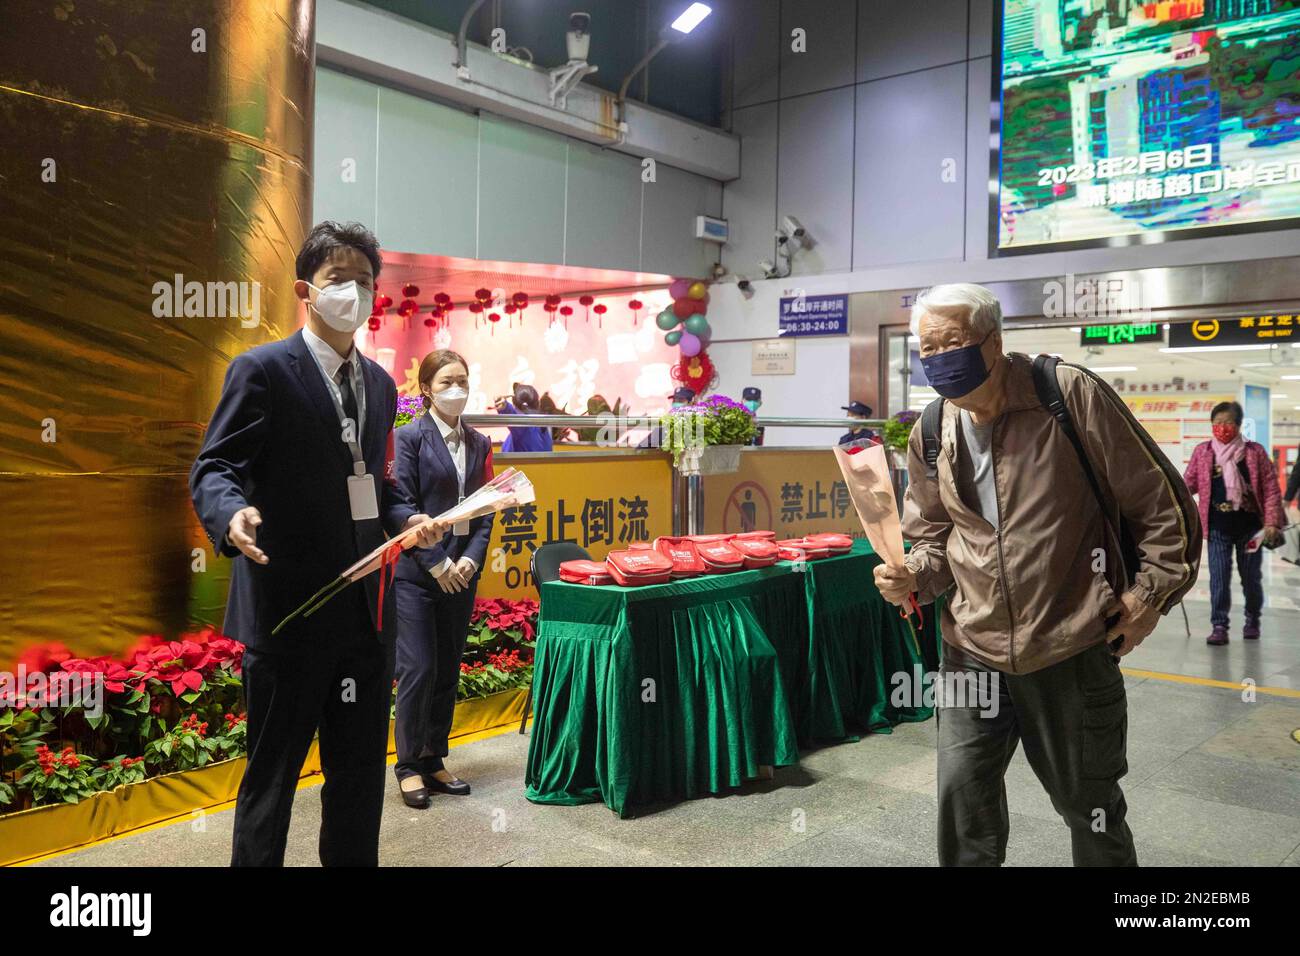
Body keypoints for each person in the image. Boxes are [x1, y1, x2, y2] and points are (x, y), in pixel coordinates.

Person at [873, 282, 1201, 867]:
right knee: (961, 803)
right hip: (969, 648)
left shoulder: (1066, 394)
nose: (939, 358)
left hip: (1069, 643)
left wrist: (1151, 594)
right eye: (927, 348)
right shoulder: (932, 429)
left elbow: (1161, 504)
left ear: (994, 343)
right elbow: (933, 538)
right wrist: (911, 577)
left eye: (953, 342)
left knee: (1088, 805)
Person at [190, 221, 445, 867]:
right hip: (289, 616)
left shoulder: (383, 386)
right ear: (307, 289)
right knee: (272, 779)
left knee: (358, 777)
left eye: (365, 282)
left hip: (365, 621)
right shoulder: (263, 370)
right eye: (339, 280)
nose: (353, 294)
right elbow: (214, 467)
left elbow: (376, 485)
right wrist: (231, 515)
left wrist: (409, 521)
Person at [391, 350, 494, 808]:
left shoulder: (480, 442)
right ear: (427, 388)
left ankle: (434, 758)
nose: (458, 389)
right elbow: (403, 506)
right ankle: (408, 765)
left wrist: (470, 561)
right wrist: (436, 562)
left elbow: (487, 510)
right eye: (447, 381)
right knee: (418, 668)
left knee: (448, 667)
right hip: (418, 574)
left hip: (461, 574)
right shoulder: (408, 438)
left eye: (463, 380)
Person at [1182, 402, 1284, 645]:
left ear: (1238, 425)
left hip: (1250, 529)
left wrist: (1271, 522)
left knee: (1250, 578)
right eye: (1217, 423)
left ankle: (1252, 619)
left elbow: (1271, 489)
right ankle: (1219, 626)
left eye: (1227, 422)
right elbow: (1188, 484)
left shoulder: (1254, 452)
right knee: (1218, 577)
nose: (1222, 428)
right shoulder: (1203, 451)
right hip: (1217, 527)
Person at [494, 383, 554, 452]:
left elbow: (513, 415)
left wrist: (505, 407)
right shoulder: (543, 424)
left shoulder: (523, 427)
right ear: (537, 403)